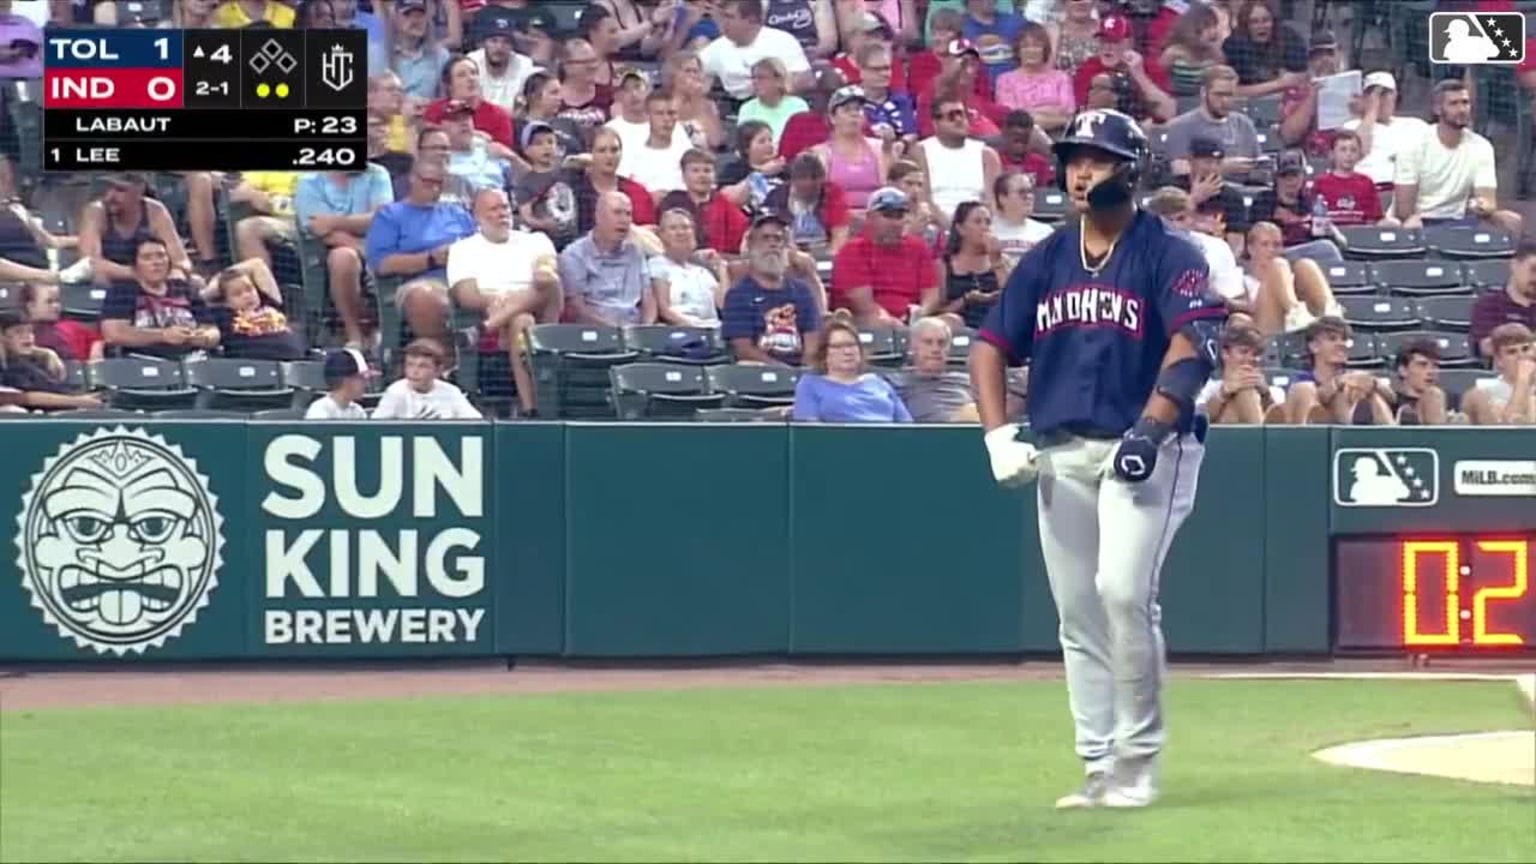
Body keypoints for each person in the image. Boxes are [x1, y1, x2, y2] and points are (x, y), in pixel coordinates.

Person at [969, 108, 1227, 809]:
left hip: (1147, 447)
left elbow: (1191, 347)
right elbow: (990, 345)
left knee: (1121, 591)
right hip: (1061, 448)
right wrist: (996, 434)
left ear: (1132, 170)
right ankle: (1096, 766)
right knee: (1078, 613)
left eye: (1099, 158)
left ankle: (1137, 761)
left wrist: (1149, 429)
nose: (1081, 169)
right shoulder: (1048, 258)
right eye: (1075, 157)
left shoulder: (1170, 253)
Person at [792, 312, 913, 422]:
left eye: (852, 345)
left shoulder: (879, 383)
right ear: (824, 353)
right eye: (839, 346)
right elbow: (808, 433)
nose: (847, 352)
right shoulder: (810, 385)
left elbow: (907, 427)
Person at [371, 338, 483, 420]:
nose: (414, 371)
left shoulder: (451, 392)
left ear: (438, 370)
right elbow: (375, 427)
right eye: (410, 365)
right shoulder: (396, 392)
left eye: (422, 366)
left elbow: (476, 422)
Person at [1462, 323, 1534, 426]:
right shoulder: (1483, 393)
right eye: (1512, 352)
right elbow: (1509, 431)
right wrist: (1523, 380)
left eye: (1526, 349)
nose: (1521, 356)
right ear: (1499, 360)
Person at [304, 347, 375, 420]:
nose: (366, 384)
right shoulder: (319, 411)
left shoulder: (358, 411)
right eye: (361, 378)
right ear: (347, 381)